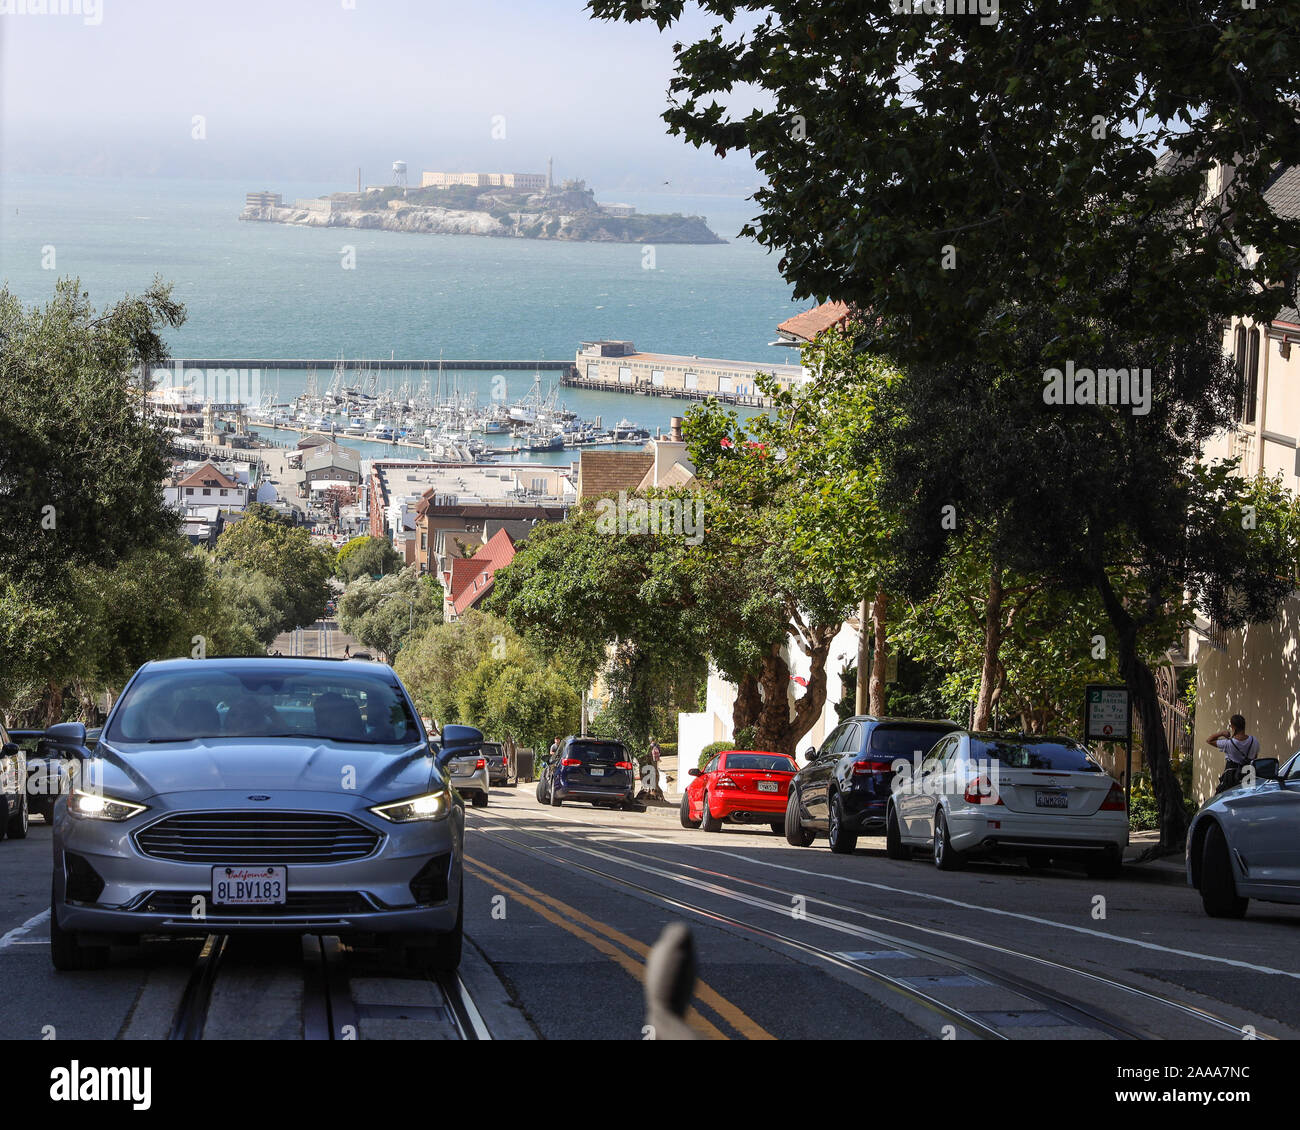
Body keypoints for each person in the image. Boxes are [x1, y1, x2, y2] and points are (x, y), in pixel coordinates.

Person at [1205, 714, 1260, 793]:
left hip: (1231, 778)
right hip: (1249, 777)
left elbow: (1209, 740)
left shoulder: (1228, 744)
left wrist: (1221, 733)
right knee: (1246, 798)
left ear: (1233, 727)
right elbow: (1255, 757)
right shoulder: (1254, 741)